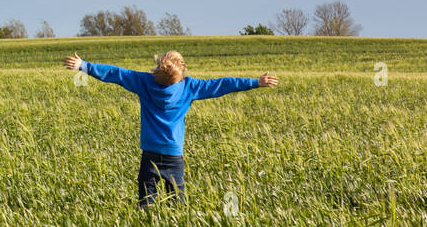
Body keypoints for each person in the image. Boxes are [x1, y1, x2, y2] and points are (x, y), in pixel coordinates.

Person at [63, 50, 278, 207]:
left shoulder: (144, 82)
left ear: (157, 69)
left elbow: (115, 73)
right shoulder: (190, 87)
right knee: (177, 205)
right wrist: (255, 82)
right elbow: (222, 84)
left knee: (146, 203)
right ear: (181, 71)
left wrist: (84, 65)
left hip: (150, 156)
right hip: (174, 157)